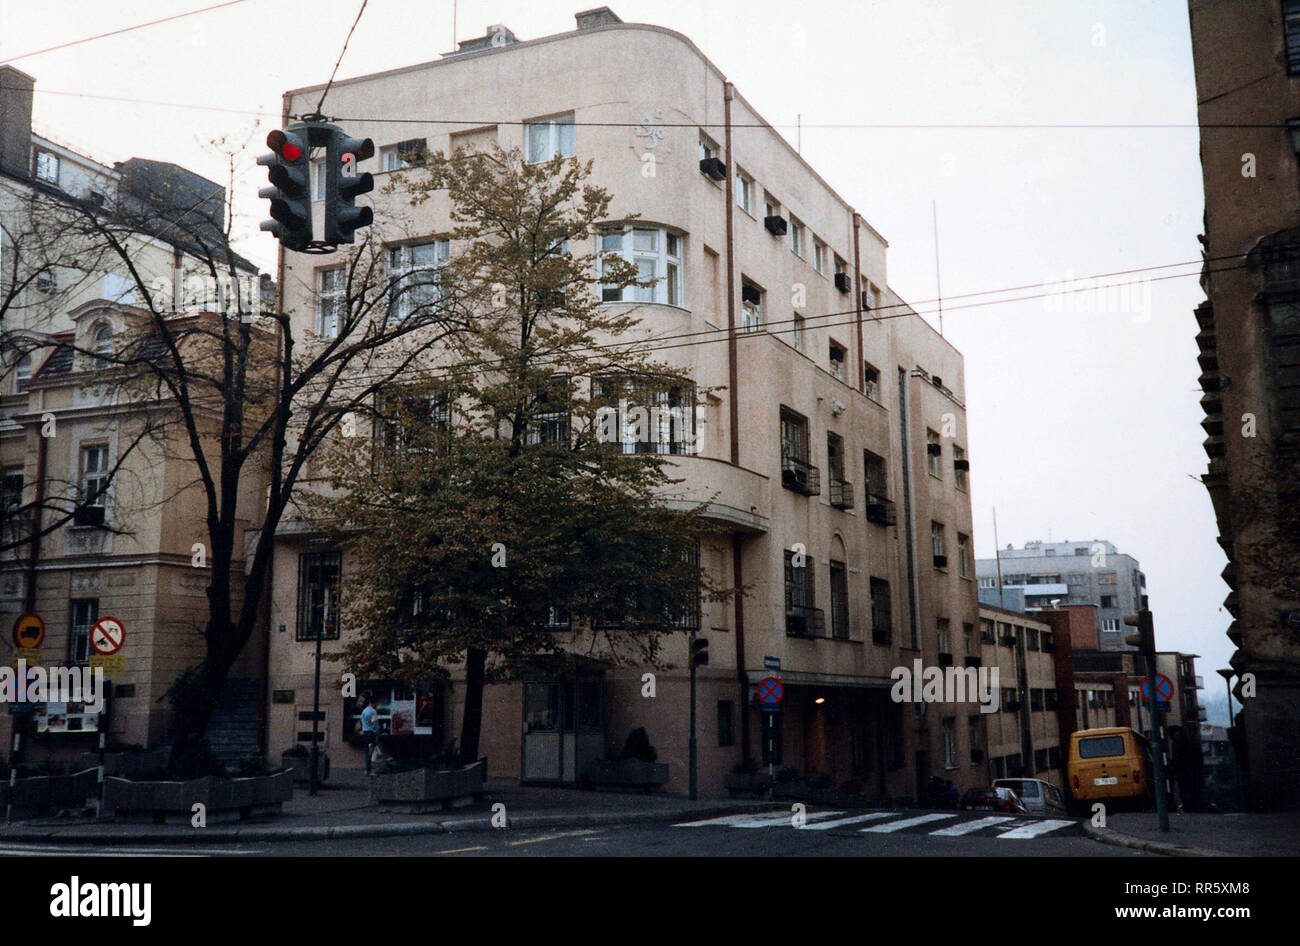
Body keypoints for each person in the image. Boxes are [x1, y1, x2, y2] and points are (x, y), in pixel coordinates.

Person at [360, 694, 379, 775]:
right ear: (374, 702)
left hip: (365, 733)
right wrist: (377, 735)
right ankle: (369, 770)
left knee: (367, 752)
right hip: (371, 734)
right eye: (376, 703)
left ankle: (367, 769)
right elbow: (375, 724)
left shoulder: (364, 711)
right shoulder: (373, 711)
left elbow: (362, 721)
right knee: (371, 752)